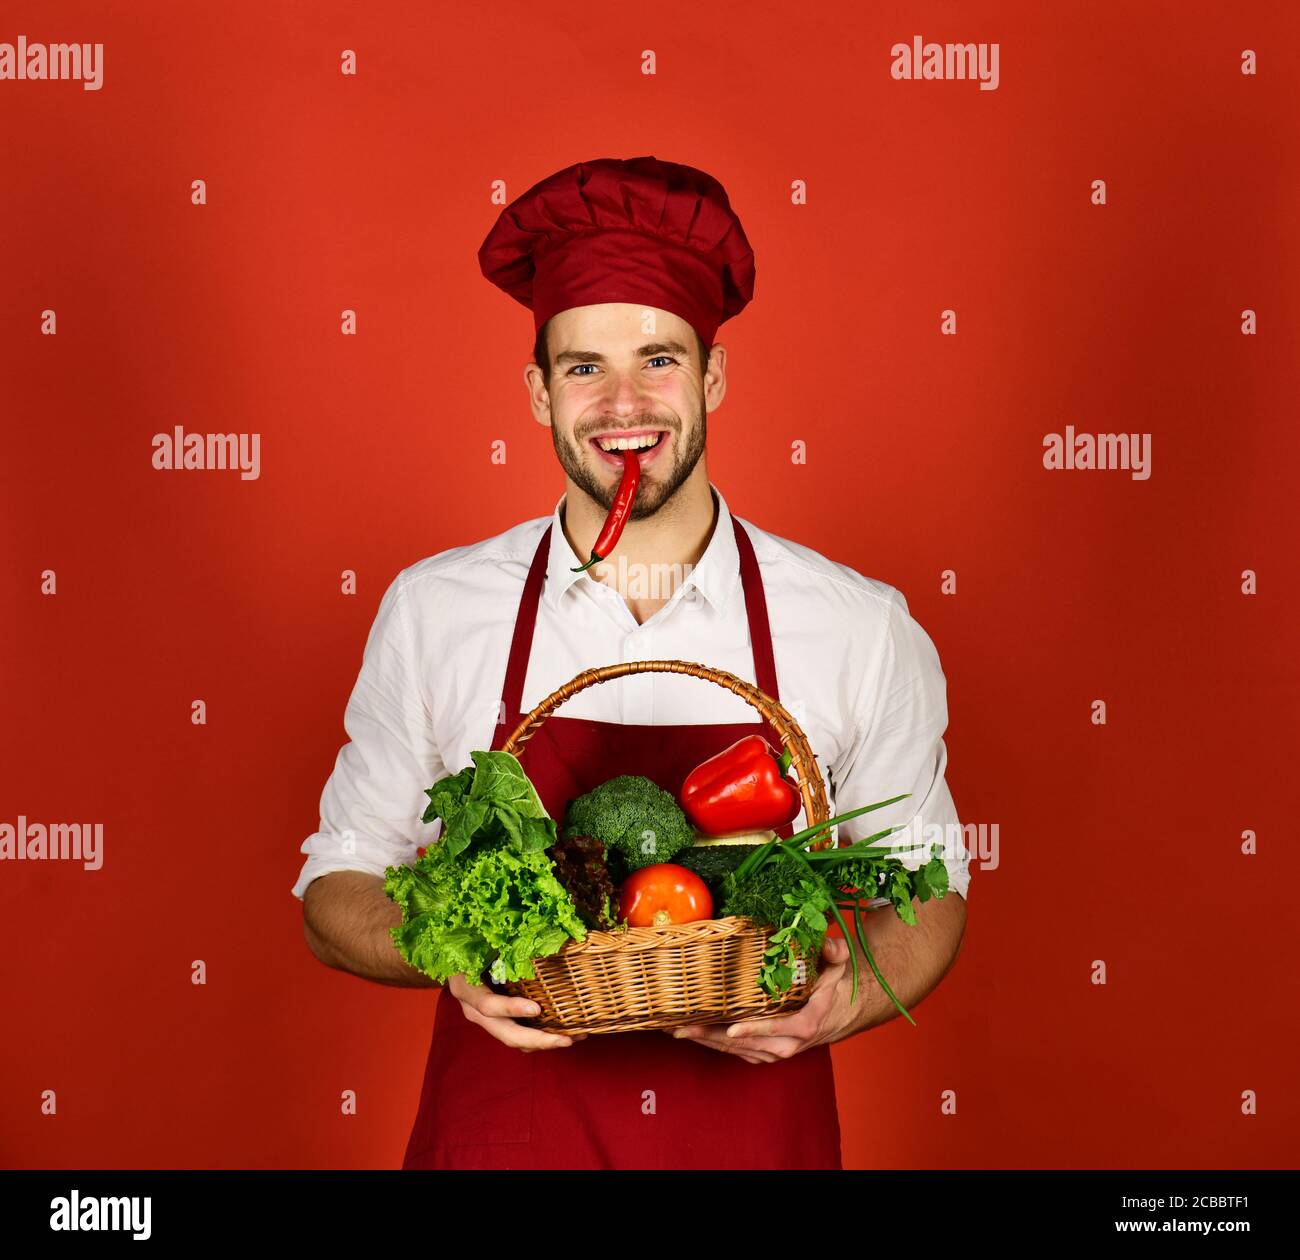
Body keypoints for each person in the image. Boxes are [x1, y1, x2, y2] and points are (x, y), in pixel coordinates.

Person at [293, 155, 971, 1170]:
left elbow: (930, 889)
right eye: (582, 367)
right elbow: (335, 885)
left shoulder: (855, 624)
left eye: (658, 359)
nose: (622, 405)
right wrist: (455, 955)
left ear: (713, 377)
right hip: (505, 1143)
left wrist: (842, 1004)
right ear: (536, 391)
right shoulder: (435, 610)